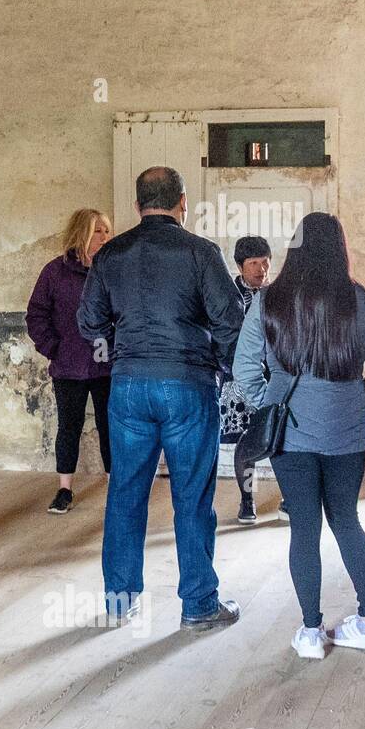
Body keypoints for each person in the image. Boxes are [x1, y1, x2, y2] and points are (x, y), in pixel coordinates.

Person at [77, 166, 245, 631]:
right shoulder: (201, 253)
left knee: (125, 494)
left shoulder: (110, 254)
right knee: (192, 497)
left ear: (137, 205)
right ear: (183, 202)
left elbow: (88, 323)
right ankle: (198, 605)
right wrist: (226, 369)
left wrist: (124, 336)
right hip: (188, 386)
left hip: (128, 386)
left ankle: (119, 601)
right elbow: (231, 325)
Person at [233, 212, 365, 660]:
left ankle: (310, 632)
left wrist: (273, 396)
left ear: (294, 248)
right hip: (348, 436)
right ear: (339, 248)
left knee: (304, 528)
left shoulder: (270, 302)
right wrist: (356, 398)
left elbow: (244, 368)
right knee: (346, 520)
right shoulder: (360, 299)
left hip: (292, 434)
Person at [26, 208, 113, 514]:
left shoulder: (113, 269)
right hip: (69, 366)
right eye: (97, 231)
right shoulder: (55, 272)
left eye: (106, 230)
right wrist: (54, 348)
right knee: (69, 428)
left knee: (110, 427)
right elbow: (36, 315)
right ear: (81, 234)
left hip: (109, 365)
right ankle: (64, 490)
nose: (104, 236)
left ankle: (114, 485)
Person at [218, 236, 272, 524]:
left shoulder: (277, 294)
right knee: (245, 442)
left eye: (265, 262)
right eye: (254, 263)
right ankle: (247, 499)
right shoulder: (227, 294)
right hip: (237, 377)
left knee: (279, 437)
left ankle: (289, 497)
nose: (261, 269)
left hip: (272, 375)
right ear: (240, 266)